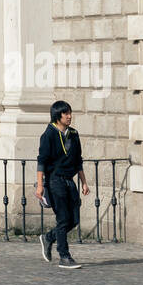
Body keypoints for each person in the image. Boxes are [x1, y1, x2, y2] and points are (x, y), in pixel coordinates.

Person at [37, 100, 90, 270]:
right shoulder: (49, 134)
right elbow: (42, 162)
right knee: (63, 219)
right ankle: (64, 256)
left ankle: (48, 237)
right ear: (57, 116)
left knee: (73, 219)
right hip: (55, 181)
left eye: (70, 113)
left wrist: (84, 182)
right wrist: (40, 186)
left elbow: (78, 161)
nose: (69, 116)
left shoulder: (74, 134)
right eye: (65, 113)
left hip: (70, 181)